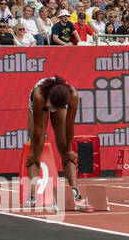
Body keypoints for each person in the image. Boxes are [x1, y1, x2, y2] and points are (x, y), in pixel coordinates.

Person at [25, 76, 84, 208]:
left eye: (55, 108)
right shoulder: (39, 95)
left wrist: (68, 149)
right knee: (35, 151)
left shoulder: (72, 95)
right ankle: (33, 196)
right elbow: (39, 129)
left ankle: (75, 192)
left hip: (57, 101)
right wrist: (34, 152)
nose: (52, 109)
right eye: (51, 106)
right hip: (39, 105)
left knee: (66, 150)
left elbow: (70, 127)